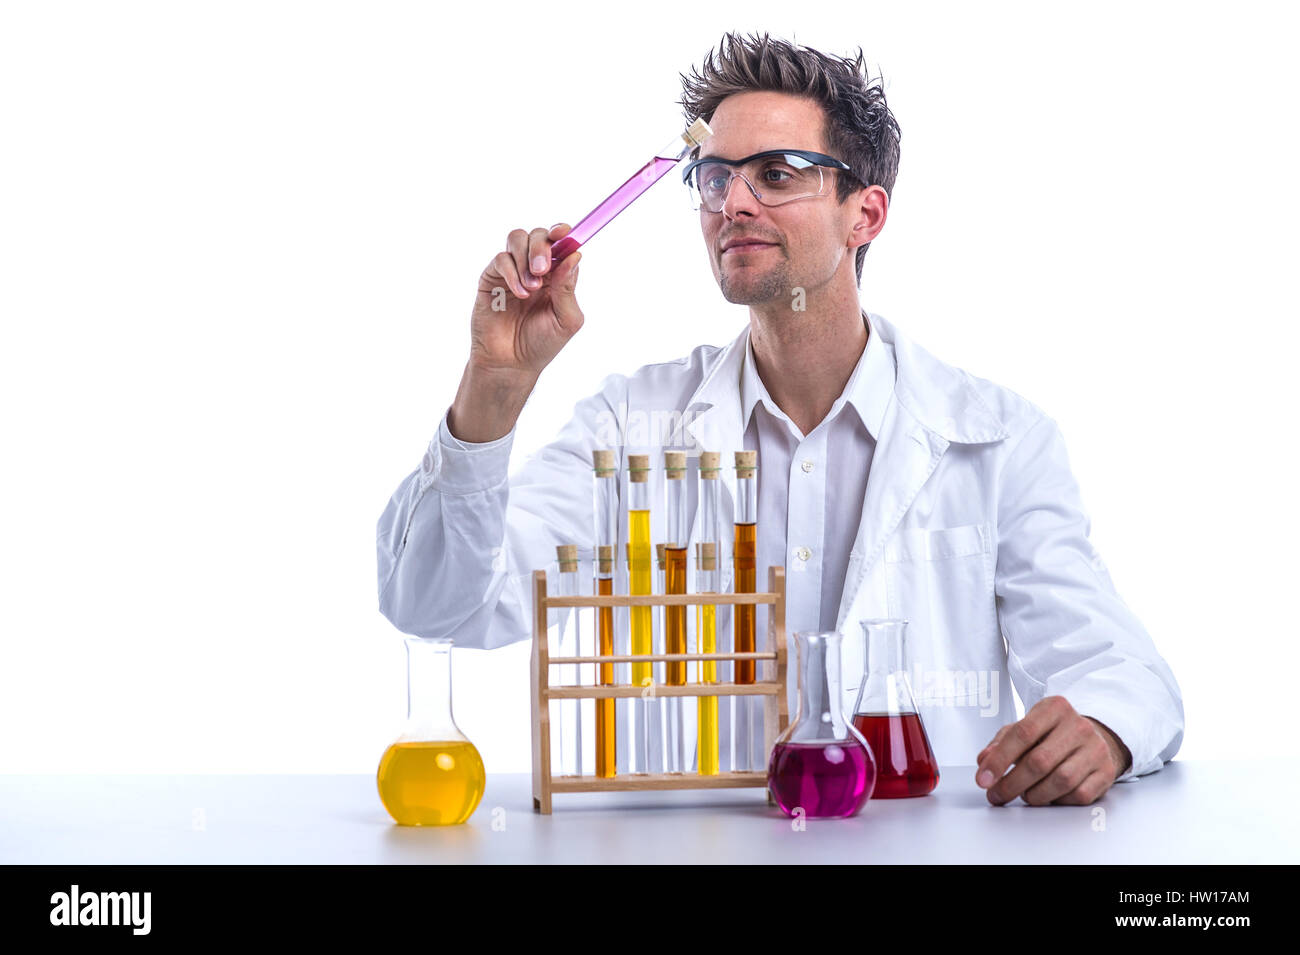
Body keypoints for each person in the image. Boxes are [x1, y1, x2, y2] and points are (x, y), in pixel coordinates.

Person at [376, 32, 1183, 806]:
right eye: (715, 175)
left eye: (778, 171)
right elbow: (437, 607)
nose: (734, 201)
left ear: (864, 214)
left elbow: (1121, 669)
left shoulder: (1000, 439)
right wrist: (495, 382)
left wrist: (1106, 732)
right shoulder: (631, 427)